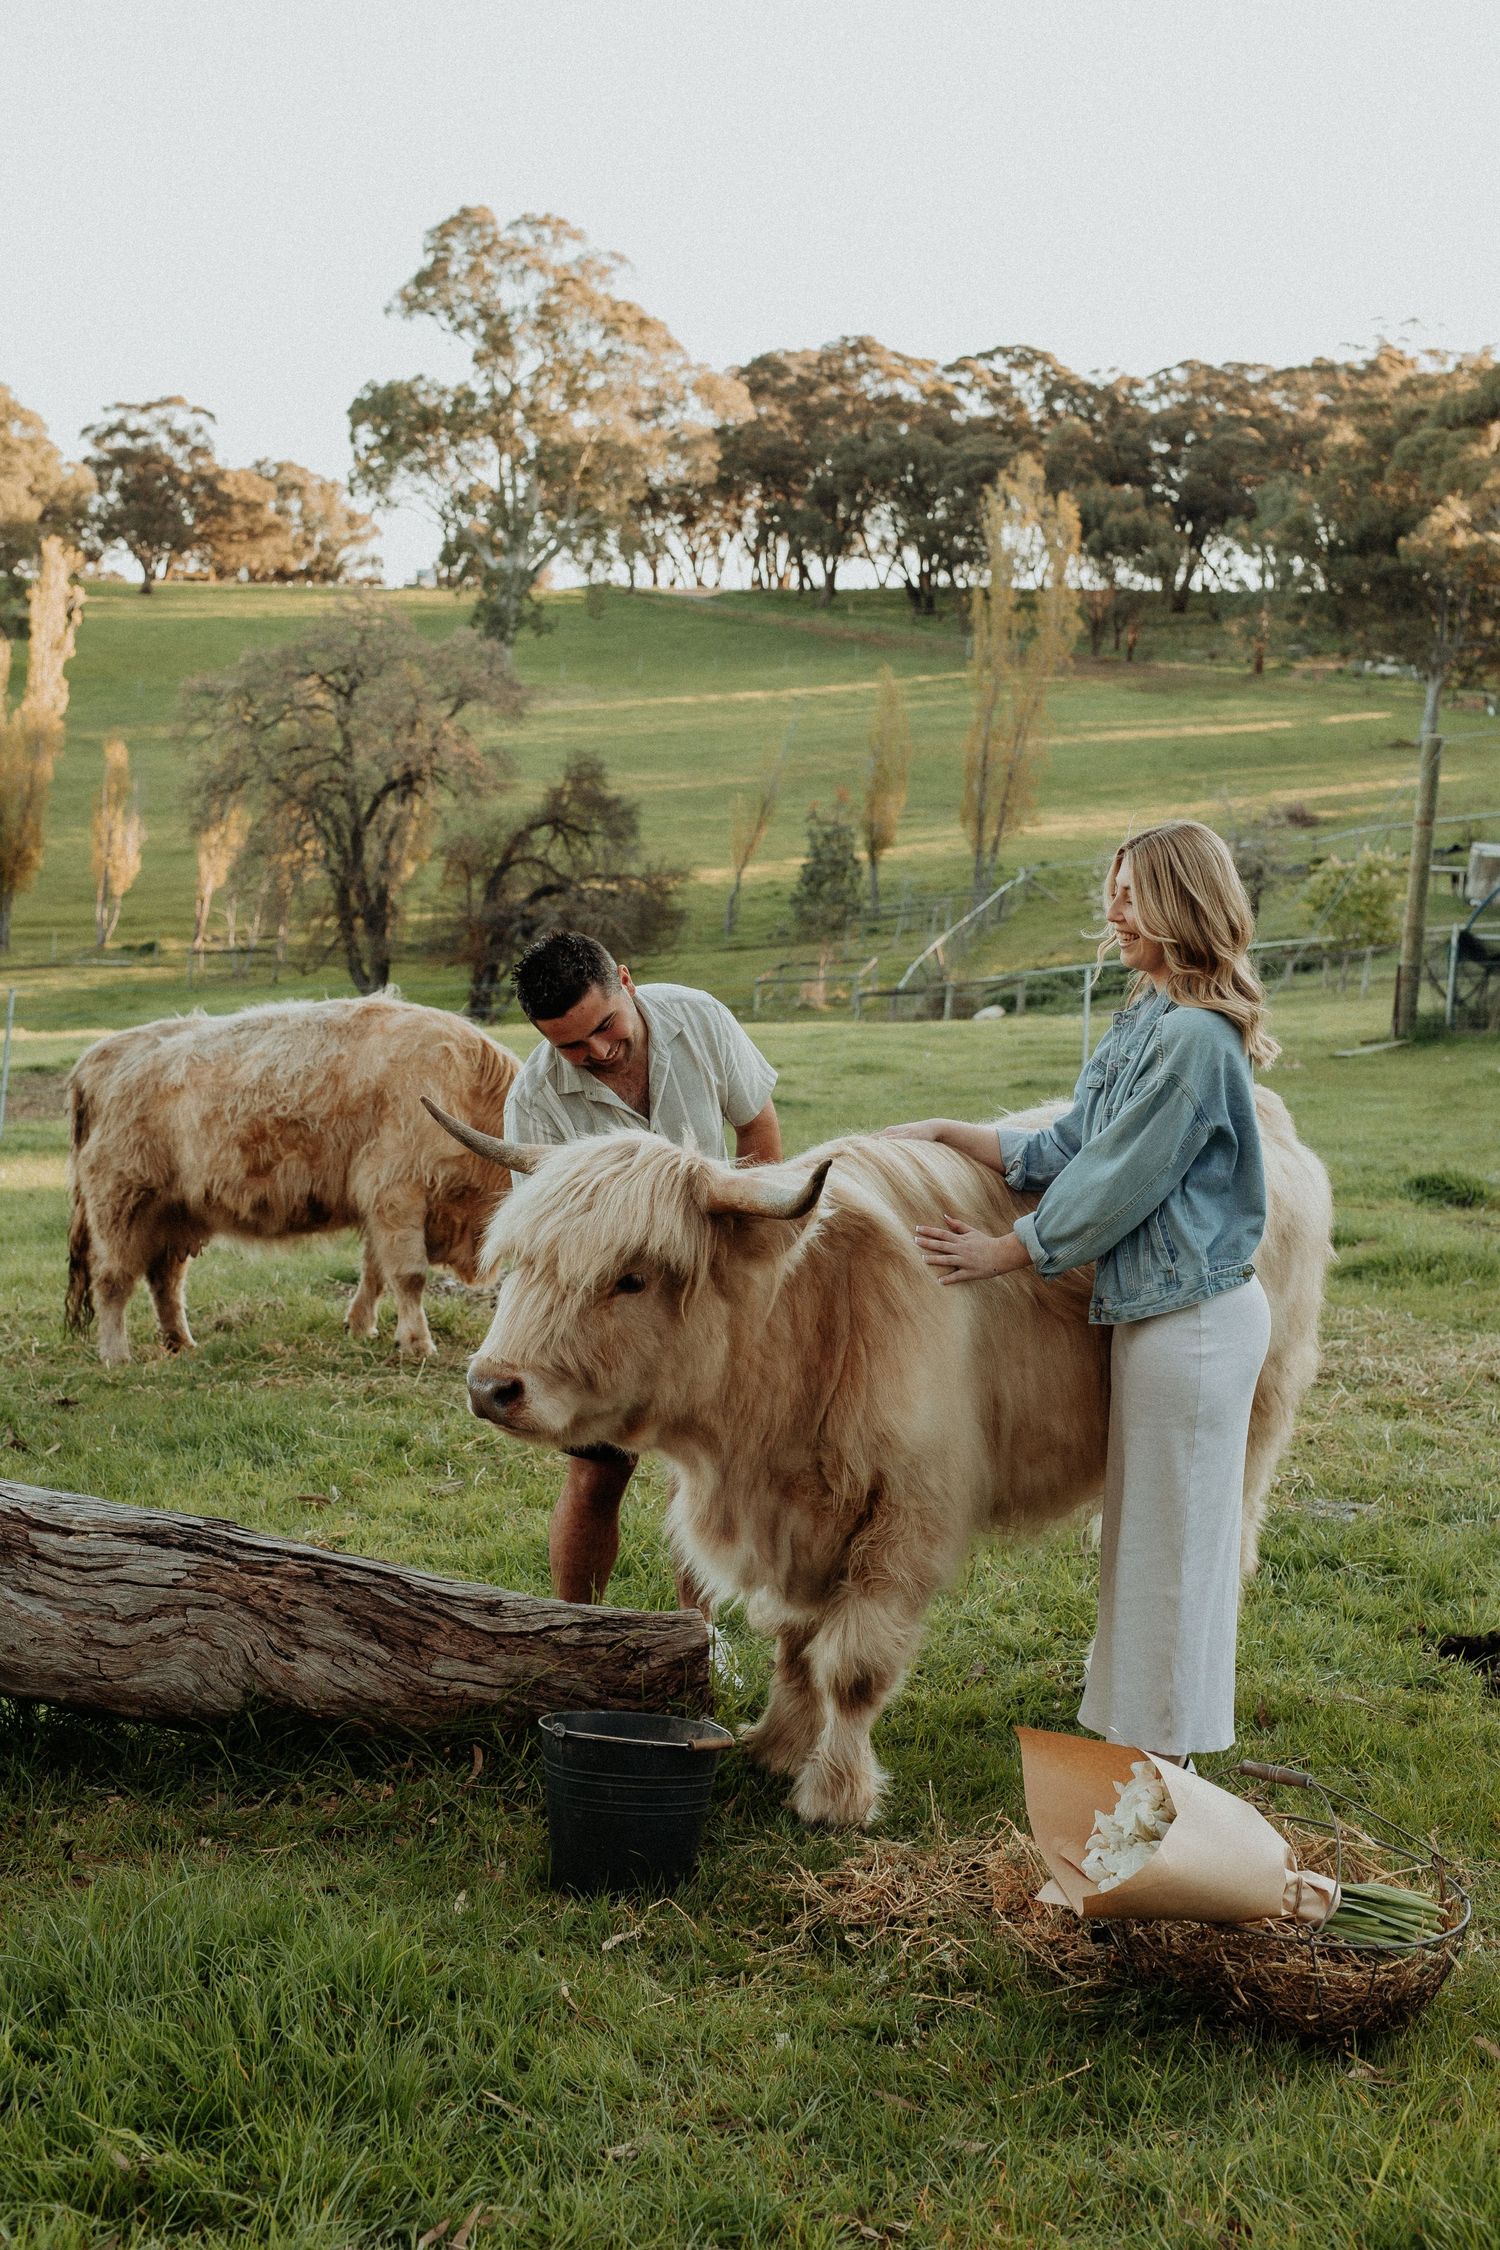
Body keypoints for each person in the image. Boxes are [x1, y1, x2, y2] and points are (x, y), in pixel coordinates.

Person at [883, 820, 1275, 1765]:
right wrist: (957, 1133)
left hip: (1198, 1324)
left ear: (1183, 901)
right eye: (1113, 889)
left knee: (1173, 1543)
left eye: (1134, 891)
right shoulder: (1146, 1013)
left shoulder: (1192, 1038)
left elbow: (1121, 1180)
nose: (1114, 909)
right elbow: (1073, 1145)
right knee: (1145, 1538)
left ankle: (1164, 1769)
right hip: (1153, 1317)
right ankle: (1144, 1749)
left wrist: (1009, 1251)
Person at [502, 930, 782, 1605]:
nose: (597, 1051)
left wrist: (751, 1250)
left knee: (702, 1471)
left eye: (605, 1026)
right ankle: (577, 1632)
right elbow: (546, 1246)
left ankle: (695, 1639)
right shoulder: (533, 1100)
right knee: (597, 1477)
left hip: (703, 1287)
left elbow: (758, 1129)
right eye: (571, 1045)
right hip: (607, 1306)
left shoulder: (700, 1019)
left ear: (625, 982)